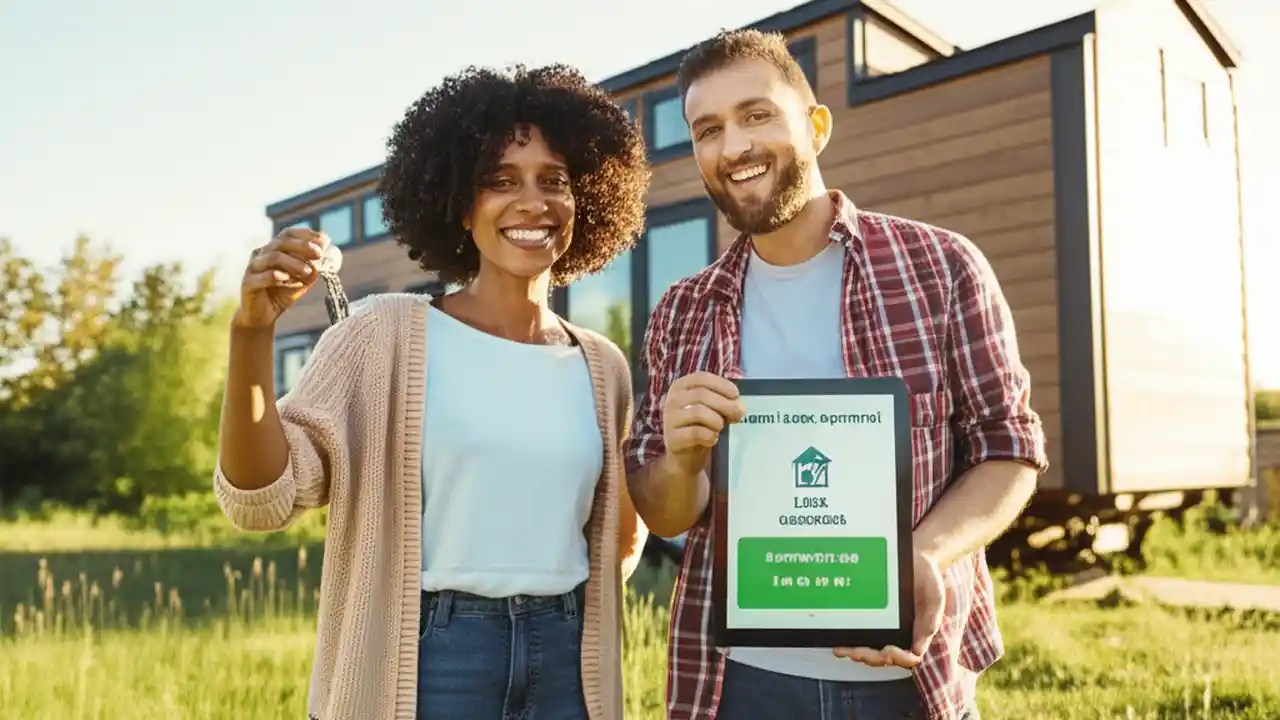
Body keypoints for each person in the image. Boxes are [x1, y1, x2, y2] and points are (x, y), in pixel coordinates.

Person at [624, 29, 1047, 720]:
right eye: (709, 130)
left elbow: (1009, 447)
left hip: (913, 679)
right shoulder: (682, 310)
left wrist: (924, 555)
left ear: (817, 126)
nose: (734, 146)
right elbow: (667, 511)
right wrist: (681, 460)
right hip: (740, 683)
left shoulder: (940, 267)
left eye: (757, 114)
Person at [214, 63, 651, 720]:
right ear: (461, 204)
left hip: (566, 662)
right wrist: (251, 333)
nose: (532, 201)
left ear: (585, 198)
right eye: (501, 180)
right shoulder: (383, 334)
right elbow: (260, 500)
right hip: (431, 660)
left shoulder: (602, 366)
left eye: (554, 180)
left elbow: (613, 543)